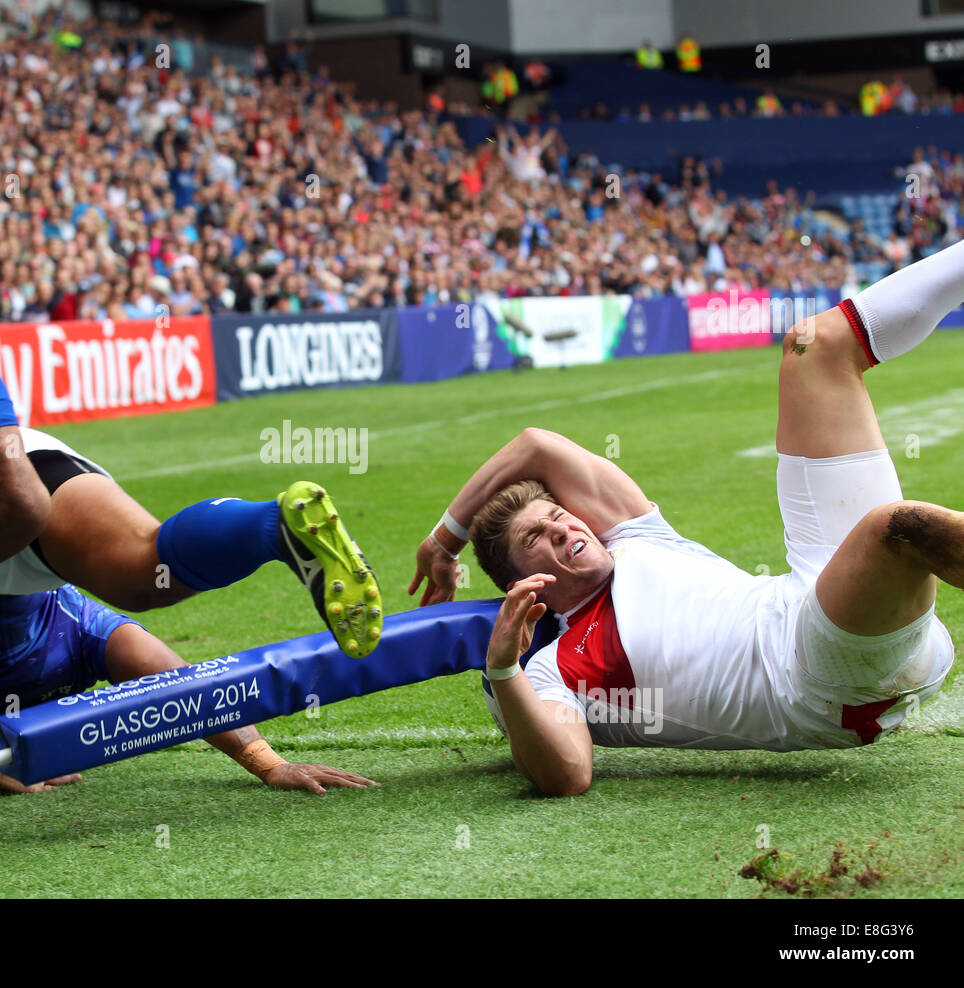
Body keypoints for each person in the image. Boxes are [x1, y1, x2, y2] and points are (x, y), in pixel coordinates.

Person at [0, 159, 382, 795]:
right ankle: (276, 528)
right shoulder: (79, 636)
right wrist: (269, 765)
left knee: (15, 501)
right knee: (145, 573)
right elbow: (176, 682)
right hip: (28, 524)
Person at [409, 241, 964, 795]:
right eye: (536, 536)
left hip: (815, 592)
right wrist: (505, 670)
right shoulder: (559, 666)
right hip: (819, 676)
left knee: (815, 346)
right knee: (895, 529)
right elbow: (568, 774)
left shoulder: (635, 539)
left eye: (556, 514)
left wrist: (445, 538)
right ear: (521, 584)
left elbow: (537, 445)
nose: (563, 526)